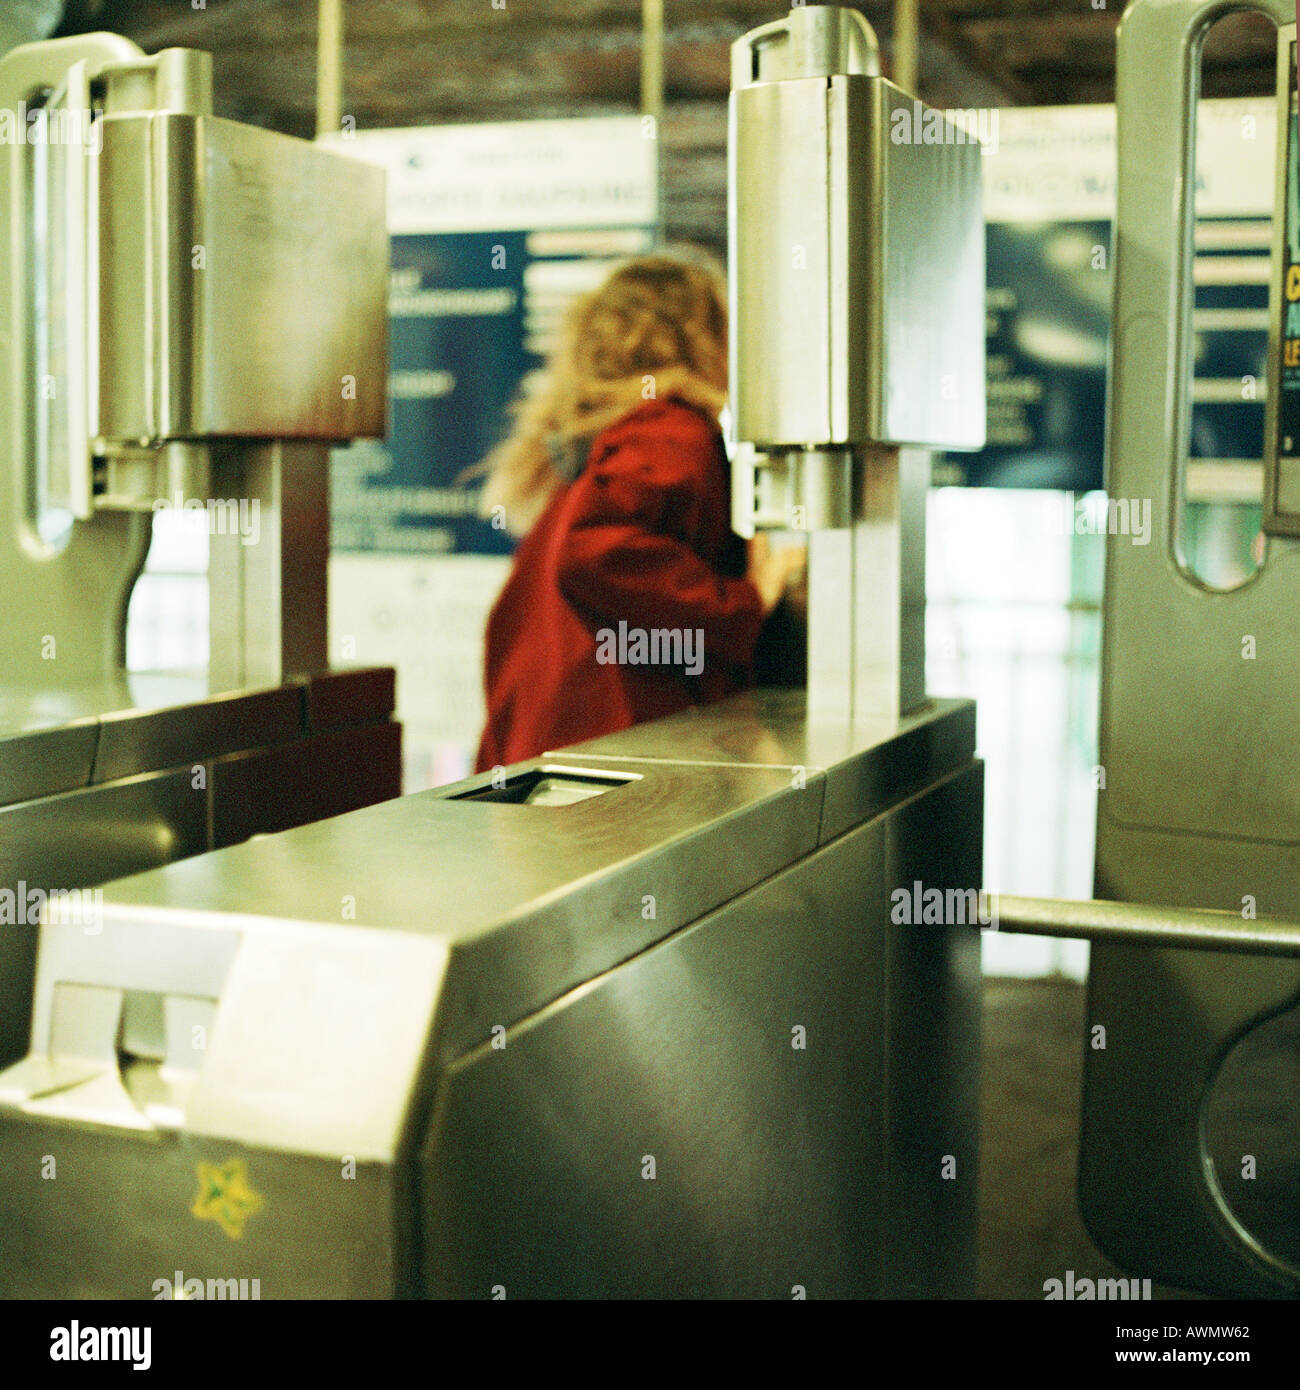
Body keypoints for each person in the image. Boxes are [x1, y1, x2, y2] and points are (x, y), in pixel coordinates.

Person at [473, 250, 804, 772]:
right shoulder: (668, 430)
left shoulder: (593, 448)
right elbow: (595, 548)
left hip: (545, 761)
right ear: (708, 338)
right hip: (610, 764)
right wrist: (746, 599)